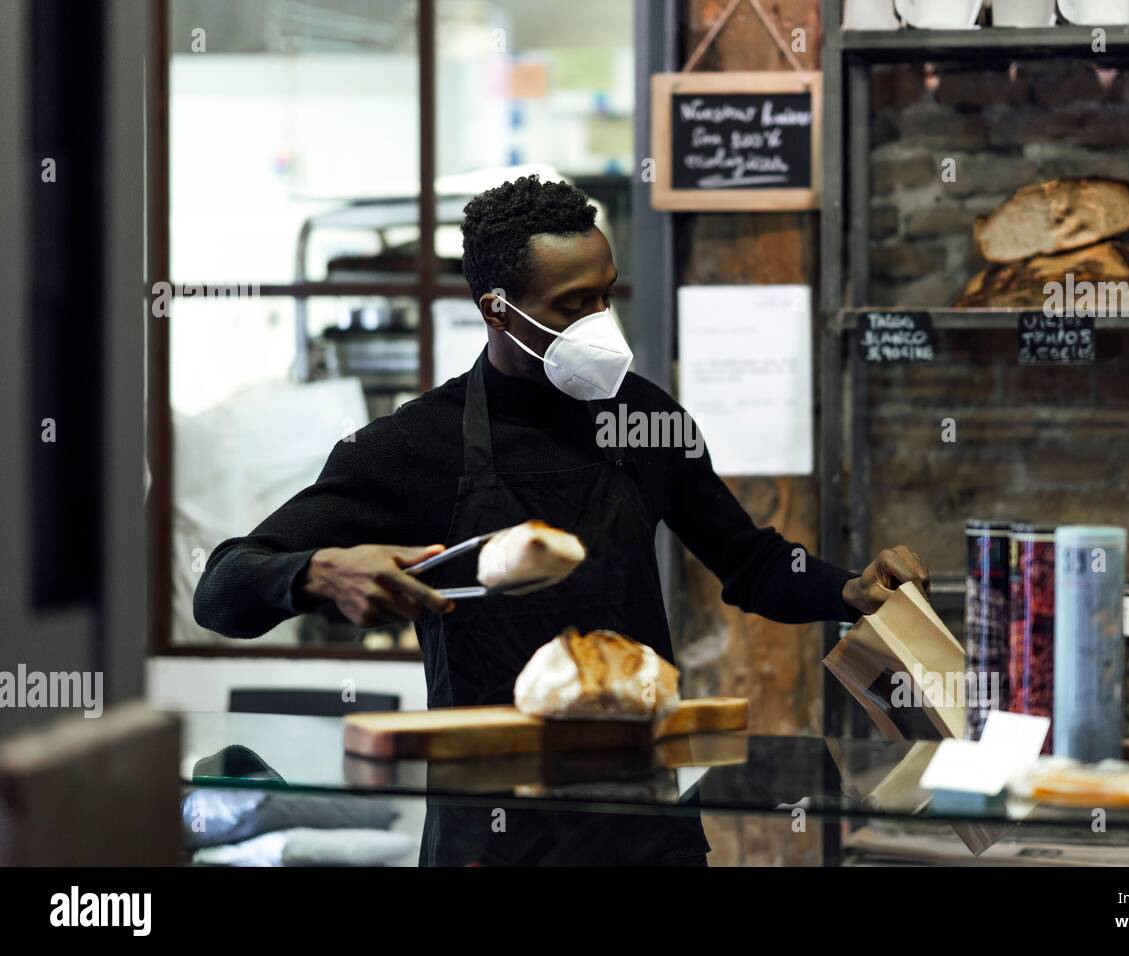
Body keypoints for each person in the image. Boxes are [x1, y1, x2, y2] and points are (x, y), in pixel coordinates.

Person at [193, 174, 930, 865]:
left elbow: (752, 563)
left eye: (606, 298)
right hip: (492, 836)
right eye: (573, 305)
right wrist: (317, 570)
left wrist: (847, 592)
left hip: (645, 828)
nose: (600, 324)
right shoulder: (412, 445)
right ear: (496, 310)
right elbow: (222, 590)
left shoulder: (644, 418)